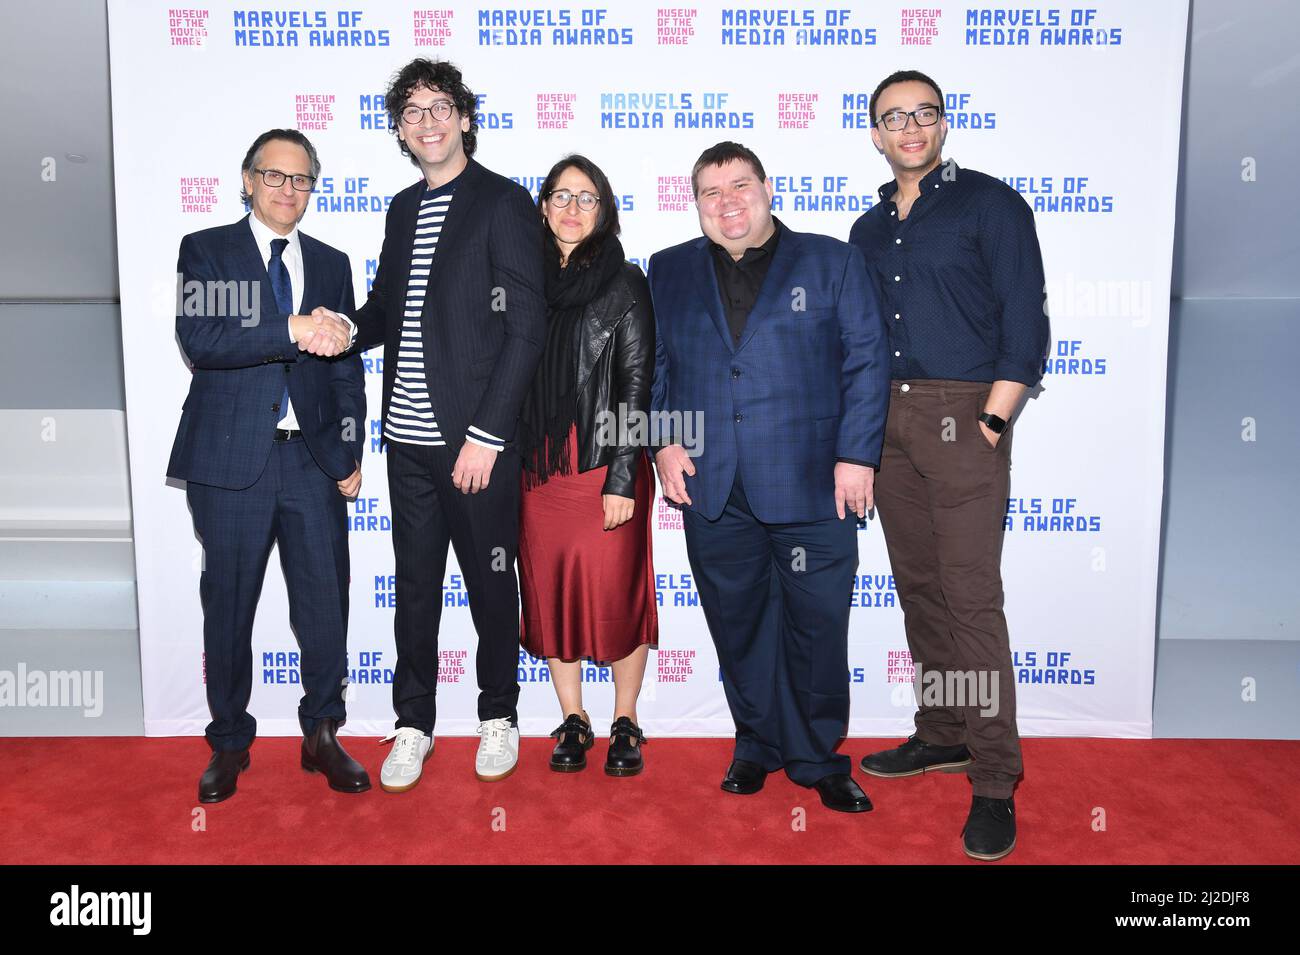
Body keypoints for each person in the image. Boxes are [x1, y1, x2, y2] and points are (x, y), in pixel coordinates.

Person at [313, 59, 545, 790]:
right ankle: (412, 722)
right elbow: (387, 309)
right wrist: (345, 326)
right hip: (407, 442)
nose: (428, 121)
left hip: (475, 442)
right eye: (411, 112)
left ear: (466, 117)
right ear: (401, 132)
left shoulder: (503, 203)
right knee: (414, 587)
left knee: (489, 585)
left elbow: (527, 328)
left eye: (440, 106)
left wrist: (486, 434)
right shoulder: (402, 209)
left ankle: (498, 714)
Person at [649, 142, 890, 812]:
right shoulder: (666, 270)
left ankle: (816, 755)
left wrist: (857, 455)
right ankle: (755, 741)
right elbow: (653, 369)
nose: (727, 202)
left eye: (739, 185)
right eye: (710, 192)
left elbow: (866, 362)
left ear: (768, 188)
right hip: (712, 484)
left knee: (816, 624)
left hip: (814, 481)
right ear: (694, 203)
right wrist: (662, 441)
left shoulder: (832, 259)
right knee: (738, 622)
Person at [848, 70, 1050, 860]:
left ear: (942, 123)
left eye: (922, 113)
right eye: (893, 116)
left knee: (970, 598)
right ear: (873, 131)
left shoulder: (990, 204)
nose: (909, 126)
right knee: (922, 589)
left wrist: (994, 418)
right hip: (889, 422)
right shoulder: (866, 230)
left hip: (966, 416)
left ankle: (996, 778)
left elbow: (1025, 318)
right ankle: (943, 731)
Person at [170, 128, 369, 803]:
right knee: (227, 608)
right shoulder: (207, 250)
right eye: (274, 175)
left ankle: (322, 733)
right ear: (247, 180)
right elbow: (202, 338)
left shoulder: (334, 261)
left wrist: (347, 447)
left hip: (312, 462)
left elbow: (346, 367)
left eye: (301, 178)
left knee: (324, 607)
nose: (288, 189)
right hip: (229, 464)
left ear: (313, 187)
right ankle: (229, 741)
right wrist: (289, 327)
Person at [515, 155, 658, 776]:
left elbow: (636, 383)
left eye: (586, 198)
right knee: (551, 593)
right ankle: (573, 718)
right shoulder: (520, 279)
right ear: (542, 207)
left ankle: (626, 718)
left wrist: (624, 477)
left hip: (603, 464)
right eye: (560, 196)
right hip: (538, 470)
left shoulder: (624, 281)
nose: (572, 209)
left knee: (617, 595)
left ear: (604, 211)